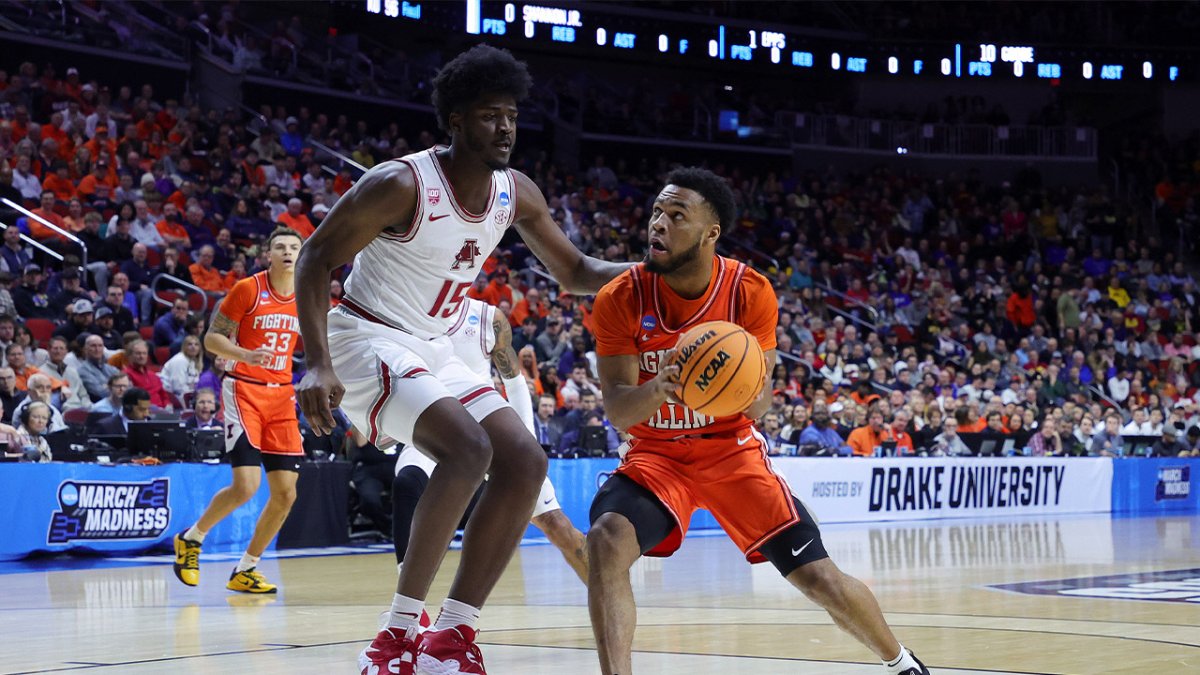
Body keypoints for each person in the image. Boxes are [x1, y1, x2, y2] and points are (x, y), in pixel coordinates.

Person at [293, 45, 628, 675]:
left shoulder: (515, 193)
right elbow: (314, 258)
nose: (503, 127)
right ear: (454, 120)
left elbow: (578, 271)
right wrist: (316, 363)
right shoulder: (399, 183)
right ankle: (394, 639)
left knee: (526, 460)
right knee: (468, 449)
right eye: (487, 115)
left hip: (441, 345)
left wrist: (657, 273)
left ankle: (452, 636)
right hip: (367, 338)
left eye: (510, 115)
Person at [585, 167, 927, 675]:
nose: (659, 224)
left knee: (819, 579)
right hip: (656, 455)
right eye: (657, 212)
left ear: (710, 232)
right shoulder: (620, 297)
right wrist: (663, 386)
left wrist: (740, 382)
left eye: (677, 215)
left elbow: (759, 404)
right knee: (607, 539)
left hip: (729, 448)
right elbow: (616, 408)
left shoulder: (749, 290)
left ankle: (902, 664)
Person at [390, 297, 588, 587]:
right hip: (435, 432)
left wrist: (527, 447)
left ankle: (605, 592)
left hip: (490, 429)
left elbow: (515, 382)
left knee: (557, 527)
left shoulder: (487, 317)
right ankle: (410, 610)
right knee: (407, 483)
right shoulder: (407, 311)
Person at [171, 227, 304, 594]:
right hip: (244, 389)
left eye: (295, 247)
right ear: (267, 254)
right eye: (280, 247)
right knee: (247, 486)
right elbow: (211, 340)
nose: (288, 252)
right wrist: (245, 355)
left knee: (286, 494)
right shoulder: (249, 288)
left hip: (282, 395)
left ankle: (246, 568)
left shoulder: (307, 293)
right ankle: (192, 538)